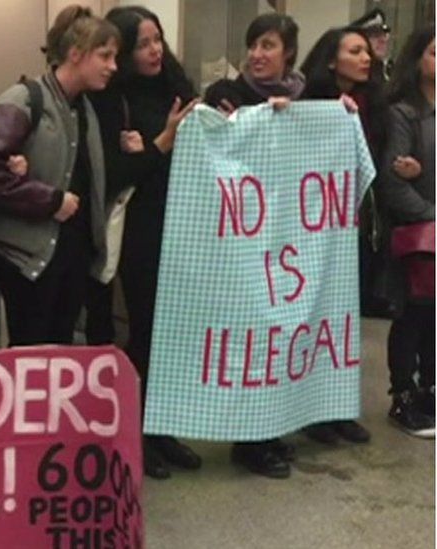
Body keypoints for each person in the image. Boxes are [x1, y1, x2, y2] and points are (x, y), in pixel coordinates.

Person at [89, 6, 200, 480]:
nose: (155, 50)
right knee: (145, 329)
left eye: (158, 40)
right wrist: (161, 143)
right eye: (142, 44)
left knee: (175, 334)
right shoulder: (112, 102)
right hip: (140, 230)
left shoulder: (177, 87)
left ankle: (162, 428)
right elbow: (115, 174)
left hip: (185, 227)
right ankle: (135, 431)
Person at [0, 5, 121, 347]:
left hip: (70, 253)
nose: (113, 66)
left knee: (60, 349)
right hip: (28, 256)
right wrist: (50, 200)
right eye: (105, 56)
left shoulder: (83, 107)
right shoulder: (24, 100)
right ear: (75, 54)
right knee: (31, 352)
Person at [204, 13, 304, 479]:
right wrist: (249, 121)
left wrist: (338, 113)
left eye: (268, 45)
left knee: (279, 336)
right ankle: (248, 439)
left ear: (289, 53)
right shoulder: (226, 94)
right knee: (249, 338)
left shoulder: (304, 99)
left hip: (286, 242)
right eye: (253, 45)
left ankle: (270, 428)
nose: (257, 55)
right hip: (242, 242)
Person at [298, 26, 384, 447]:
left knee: (343, 324)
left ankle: (339, 408)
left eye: (367, 51)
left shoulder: (372, 104)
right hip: (317, 231)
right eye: (355, 51)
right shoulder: (312, 104)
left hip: (353, 228)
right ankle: (311, 411)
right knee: (314, 321)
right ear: (331, 60)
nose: (365, 58)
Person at [377, 24, 435, 437]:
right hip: (419, 234)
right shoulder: (403, 113)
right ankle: (402, 394)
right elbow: (393, 182)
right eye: (435, 52)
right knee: (413, 315)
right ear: (417, 60)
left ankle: (430, 389)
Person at [352, 7, 394, 80]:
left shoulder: (388, 71)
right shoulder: (353, 74)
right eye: (375, 35)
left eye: (384, 34)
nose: (383, 40)